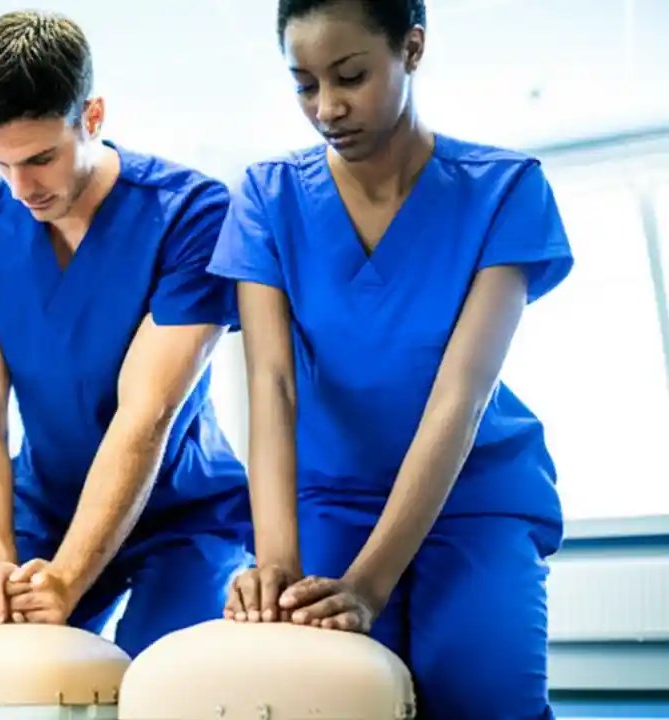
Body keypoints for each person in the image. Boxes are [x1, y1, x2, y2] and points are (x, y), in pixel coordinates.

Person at [209, 1, 573, 717]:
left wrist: (368, 586)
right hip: (330, 495)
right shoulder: (267, 195)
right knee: (328, 691)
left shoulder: (504, 190)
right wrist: (277, 563)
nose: (327, 107)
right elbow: (272, 387)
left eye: (350, 76)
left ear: (411, 48)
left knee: (478, 692)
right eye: (304, 84)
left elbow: (460, 396)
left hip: (474, 496)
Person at [0, 9, 253, 658]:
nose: (21, 188)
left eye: (41, 158)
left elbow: (147, 411)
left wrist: (71, 579)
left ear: (93, 117)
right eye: (1, 163)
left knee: (165, 676)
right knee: (4, 673)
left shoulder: (191, 211)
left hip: (180, 512)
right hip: (43, 508)